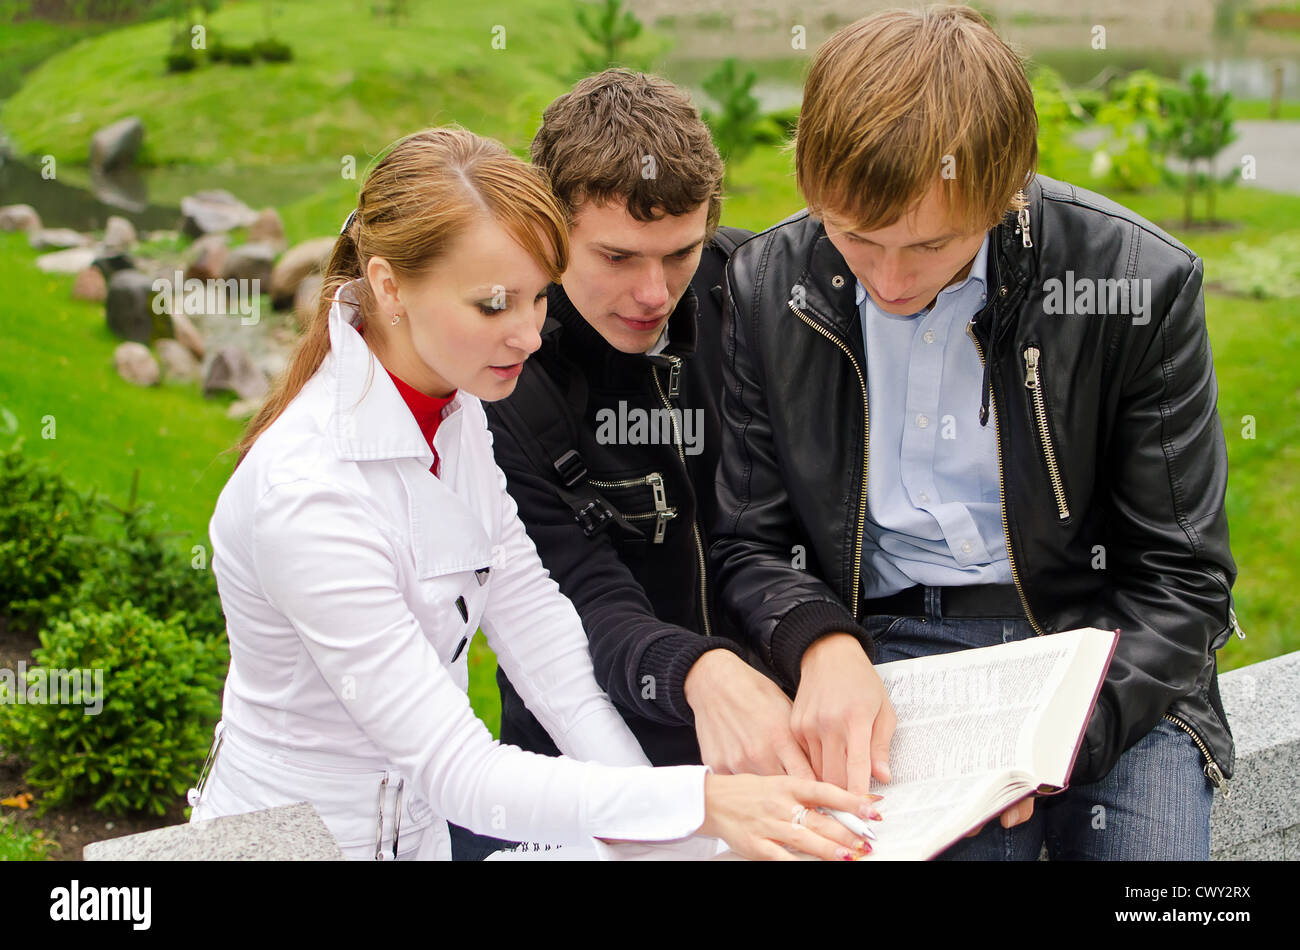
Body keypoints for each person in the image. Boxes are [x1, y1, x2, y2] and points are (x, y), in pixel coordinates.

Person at [186, 125, 873, 862]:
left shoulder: (460, 405)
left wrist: (674, 843)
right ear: (388, 286)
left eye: (538, 299)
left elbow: (544, 642)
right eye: (492, 305)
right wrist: (699, 804)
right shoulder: (307, 496)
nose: (529, 335)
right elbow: (458, 771)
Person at [712, 5, 1238, 860]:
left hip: (1101, 651)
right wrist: (822, 642)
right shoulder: (770, 283)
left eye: (929, 244)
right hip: (882, 646)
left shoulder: (1137, 281)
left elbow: (1183, 580)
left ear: (1006, 190)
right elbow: (748, 542)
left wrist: (1066, 740)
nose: (887, 278)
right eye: (853, 236)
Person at [464, 69, 826, 859]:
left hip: (782, 728)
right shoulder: (504, 378)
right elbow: (573, 599)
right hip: (583, 759)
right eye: (618, 257)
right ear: (546, 229)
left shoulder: (765, 296)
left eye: (681, 252)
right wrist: (699, 672)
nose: (653, 292)